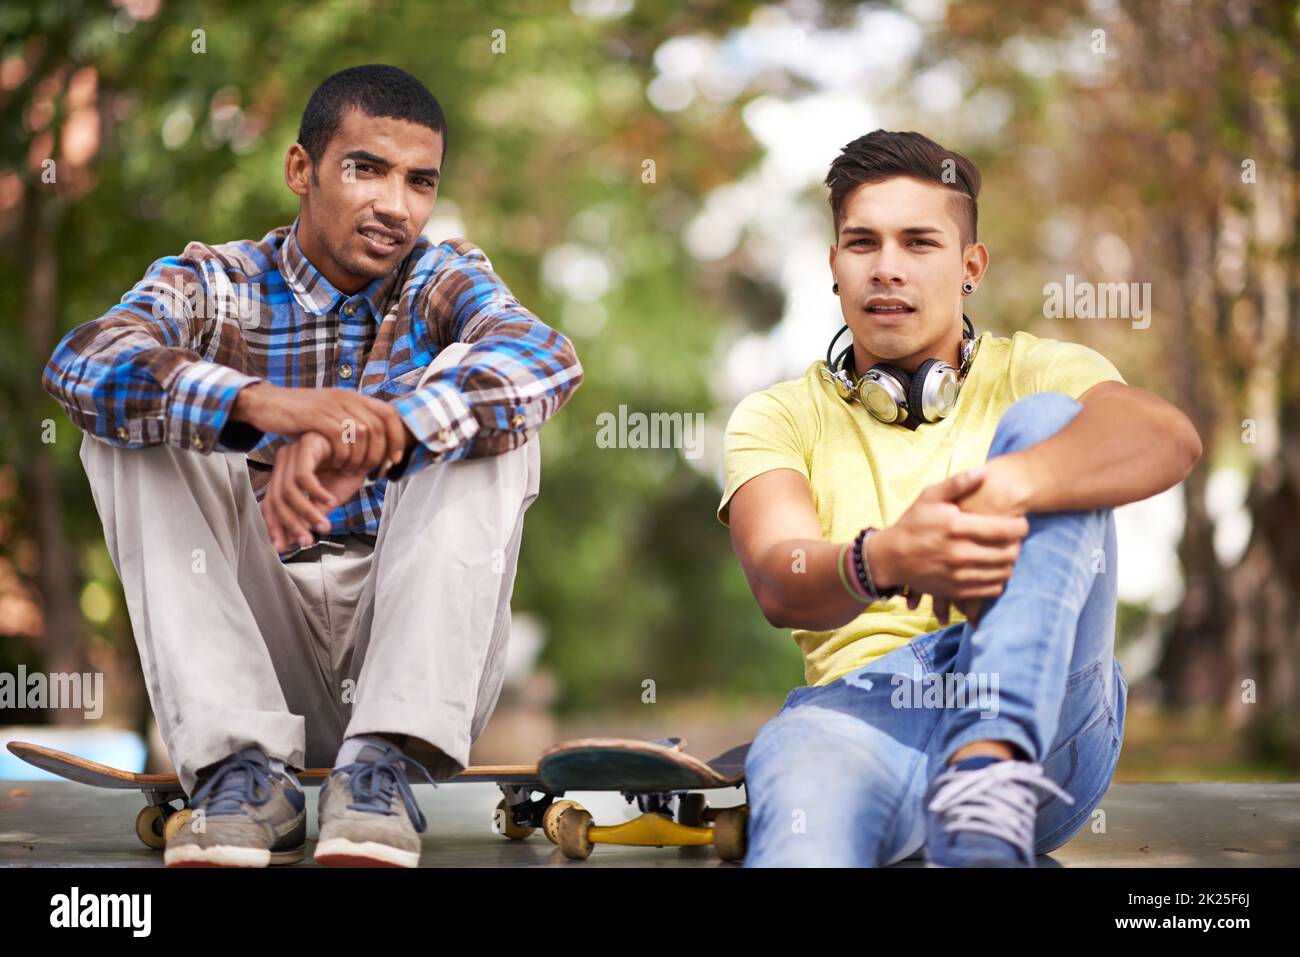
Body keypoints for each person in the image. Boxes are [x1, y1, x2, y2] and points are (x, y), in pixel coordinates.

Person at [41, 64, 584, 868]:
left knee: (487, 407)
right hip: (257, 652)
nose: (396, 206)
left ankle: (383, 766)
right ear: (302, 170)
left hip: (408, 656)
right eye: (367, 169)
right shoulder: (216, 280)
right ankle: (242, 770)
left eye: (420, 181)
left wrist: (381, 433)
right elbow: (83, 360)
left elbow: (545, 355)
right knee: (130, 412)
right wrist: (263, 406)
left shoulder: (439, 276)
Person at [718, 130, 1201, 867]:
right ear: (833, 265)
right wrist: (885, 556)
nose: (886, 268)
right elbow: (778, 577)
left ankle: (989, 767)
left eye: (918, 243)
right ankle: (966, 830)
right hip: (857, 713)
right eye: (862, 243)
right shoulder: (776, 414)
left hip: (1051, 713)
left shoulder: (1038, 369)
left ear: (970, 265)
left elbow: (1169, 438)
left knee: (1051, 428)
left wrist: (1015, 480)